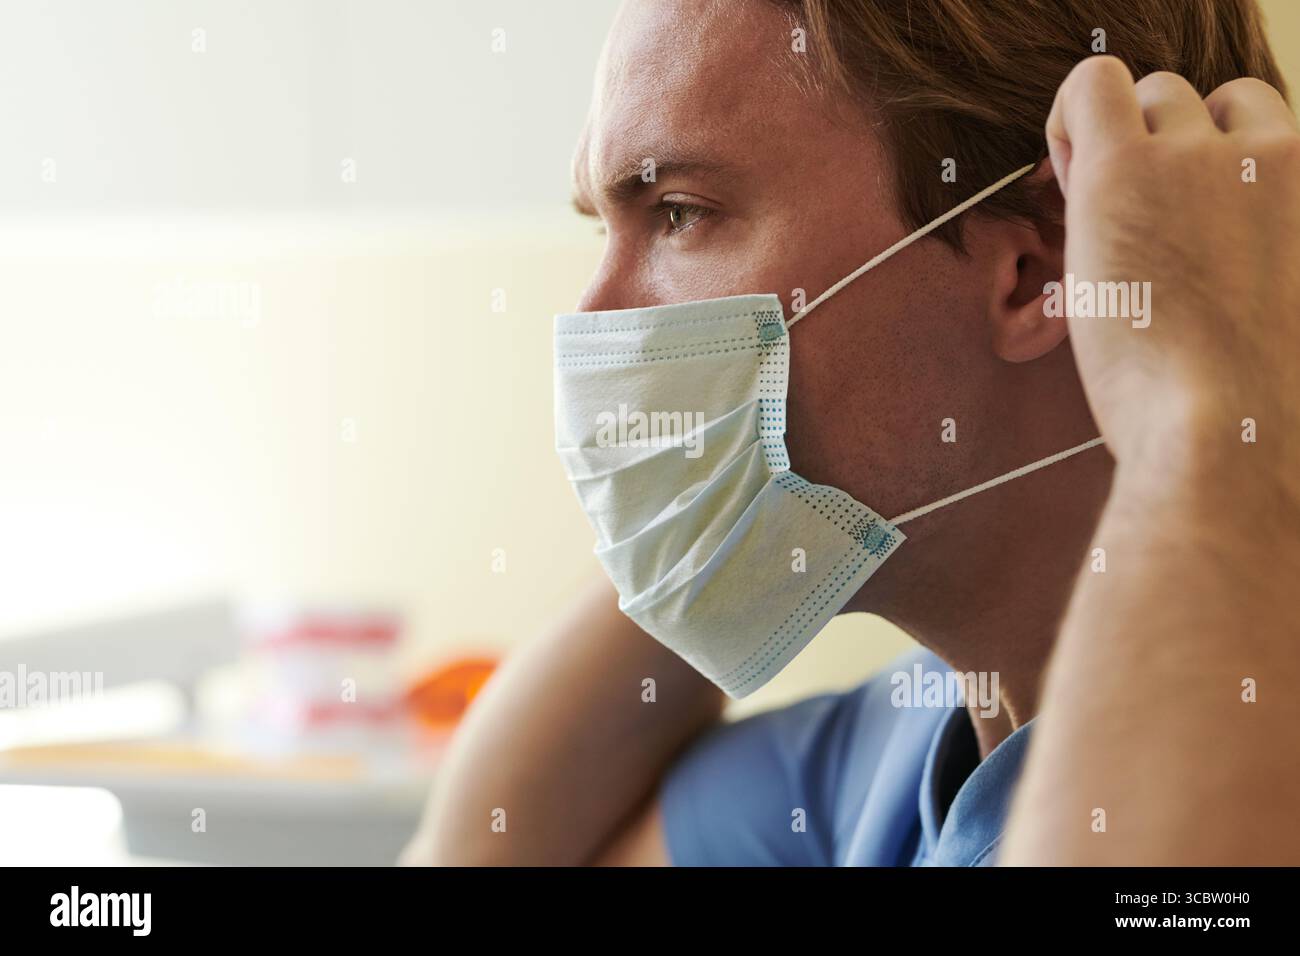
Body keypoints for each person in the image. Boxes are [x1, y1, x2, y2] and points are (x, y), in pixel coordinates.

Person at [402, 0, 1299, 866]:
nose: (597, 316)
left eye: (677, 212)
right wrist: (701, 525)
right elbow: (479, 854)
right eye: (607, 227)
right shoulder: (903, 763)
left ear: (1039, 268)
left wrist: (1212, 423)